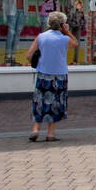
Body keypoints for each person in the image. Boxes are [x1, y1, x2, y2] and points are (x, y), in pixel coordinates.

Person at [27, 10, 77, 141]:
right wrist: (67, 32)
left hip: (43, 74)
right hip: (59, 75)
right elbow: (75, 43)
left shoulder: (41, 37)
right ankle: (50, 133)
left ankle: (35, 129)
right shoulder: (64, 39)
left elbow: (29, 55)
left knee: (40, 102)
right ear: (62, 24)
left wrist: (39, 63)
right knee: (55, 103)